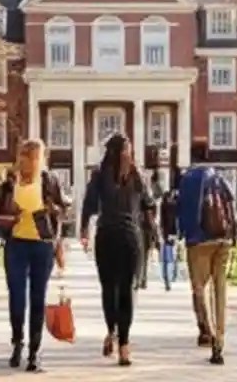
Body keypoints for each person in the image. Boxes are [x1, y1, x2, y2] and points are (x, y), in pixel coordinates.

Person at [79, 133, 156, 367]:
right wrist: (152, 230)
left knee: (108, 289)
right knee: (126, 290)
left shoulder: (99, 176)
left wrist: (83, 231)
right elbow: (150, 205)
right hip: (130, 237)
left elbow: (89, 206)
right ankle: (124, 344)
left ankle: (111, 331)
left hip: (106, 236)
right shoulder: (137, 176)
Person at [0, 140, 68, 373]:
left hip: (42, 246)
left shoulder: (48, 181)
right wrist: (11, 215)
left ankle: (35, 351)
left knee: (38, 298)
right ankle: (17, 343)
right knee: (17, 297)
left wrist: (52, 210)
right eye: (26, 156)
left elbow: (62, 209)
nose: (31, 162)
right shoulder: (8, 183)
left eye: (36, 157)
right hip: (16, 244)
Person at [177, 166, 237, 365]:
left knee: (199, 289)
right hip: (224, 240)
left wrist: (182, 236)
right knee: (219, 291)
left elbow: (183, 213)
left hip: (199, 242)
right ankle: (220, 340)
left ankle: (208, 332)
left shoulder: (188, 182)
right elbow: (232, 209)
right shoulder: (221, 180)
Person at [159, 186, 180, 291]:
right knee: (171, 258)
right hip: (171, 232)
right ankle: (169, 278)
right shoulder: (174, 204)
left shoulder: (166, 205)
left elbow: (163, 221)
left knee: (168, 258)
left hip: (168, 233)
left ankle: (169, 278)